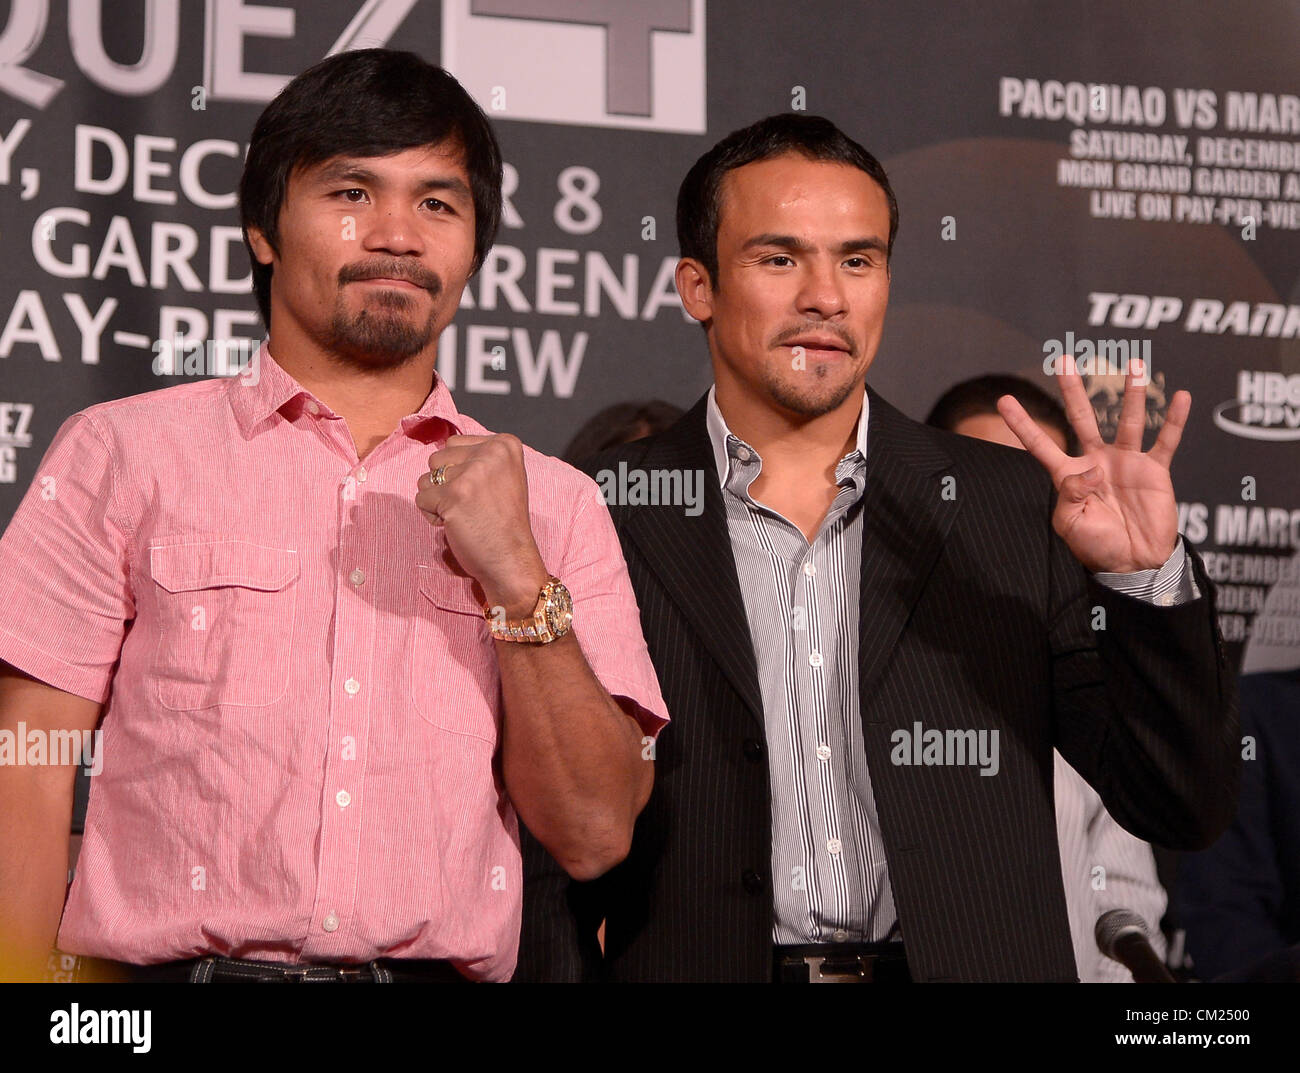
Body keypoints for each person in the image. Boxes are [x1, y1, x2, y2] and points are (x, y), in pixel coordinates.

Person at [516, 113, 1237, 983]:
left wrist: (1143, 577)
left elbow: (1177, 803)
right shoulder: (597, 508)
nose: (827, 295)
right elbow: (552, 856)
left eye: (858, 259)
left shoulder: (1009, 507)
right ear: (697, 286)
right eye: (780, 259)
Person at [0, 49, 667, 984]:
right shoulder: (120, 453)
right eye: (352, 191)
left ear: (475, 247)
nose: (397, 233)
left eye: (439, 203)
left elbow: (595, 831)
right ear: (262, 229)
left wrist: (517, 578)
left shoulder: (554, 502)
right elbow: (22, 768)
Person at [926, 374, 1168, 983]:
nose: (1003, 507)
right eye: (981, 480)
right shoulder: (854, 643)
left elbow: (1122, 904)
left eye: (1030, 483)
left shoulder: (1085, 667)